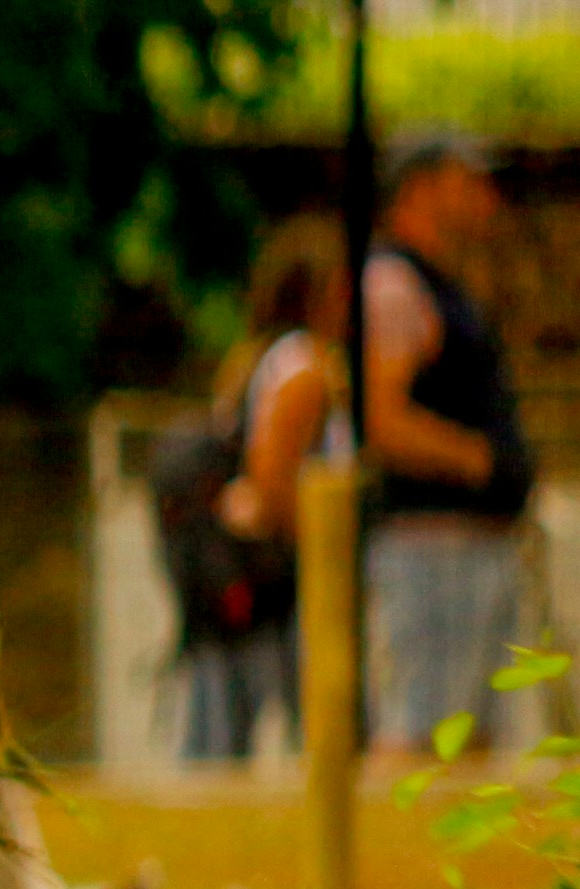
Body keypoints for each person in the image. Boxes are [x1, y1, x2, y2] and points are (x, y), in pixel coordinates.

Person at [363, 137, 539, 759]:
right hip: (431, 547)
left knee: (469, 742)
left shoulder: (443, 284)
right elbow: (381, 418)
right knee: (421, 737)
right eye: (466, 180)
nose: (483, 197)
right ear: (422, 188)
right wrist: (480, 460)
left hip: (471, 544)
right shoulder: (393, 283)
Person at [167, 225, 339, 762]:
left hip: (236, 571)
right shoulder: (304, 365)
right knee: (312, 725)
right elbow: (270, 479)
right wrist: (325, 540)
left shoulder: (251, 359)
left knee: (221, 727)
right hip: (280, 575)